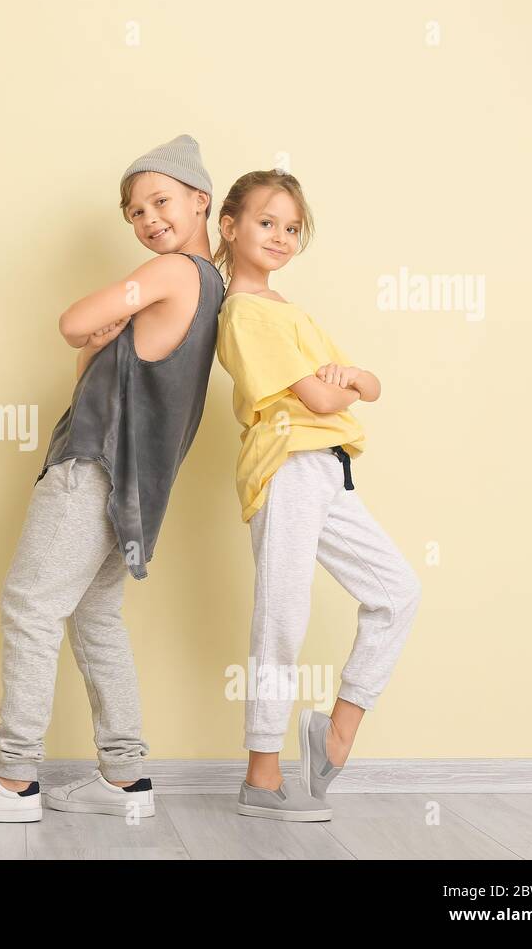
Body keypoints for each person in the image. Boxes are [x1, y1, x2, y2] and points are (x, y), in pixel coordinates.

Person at [0, 135, 225, 822]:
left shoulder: (175, 272)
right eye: (135, 213)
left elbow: (71, 322)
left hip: (92, 471)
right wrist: (101, 339)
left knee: (30, 606)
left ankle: (12, 779)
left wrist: (98, 322)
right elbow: (92, 367)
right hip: (133, 489)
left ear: (201, 199)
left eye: (161, 201)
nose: (148, 220)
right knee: (96, 617)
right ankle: (124, 778)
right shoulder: (207, 289)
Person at [212, 170, 422, 822]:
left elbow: (373, 383)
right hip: (288, 464)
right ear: (230, 226)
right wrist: (350, 380)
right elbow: (331, 395)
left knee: (397, 591)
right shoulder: (244, 314)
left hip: (330, 468)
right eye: (266, 222)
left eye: (292, 228)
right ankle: (262, 775)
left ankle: (336, 733)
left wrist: (354, 379)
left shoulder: (290, 313)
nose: (281, 236)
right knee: (283, 614)